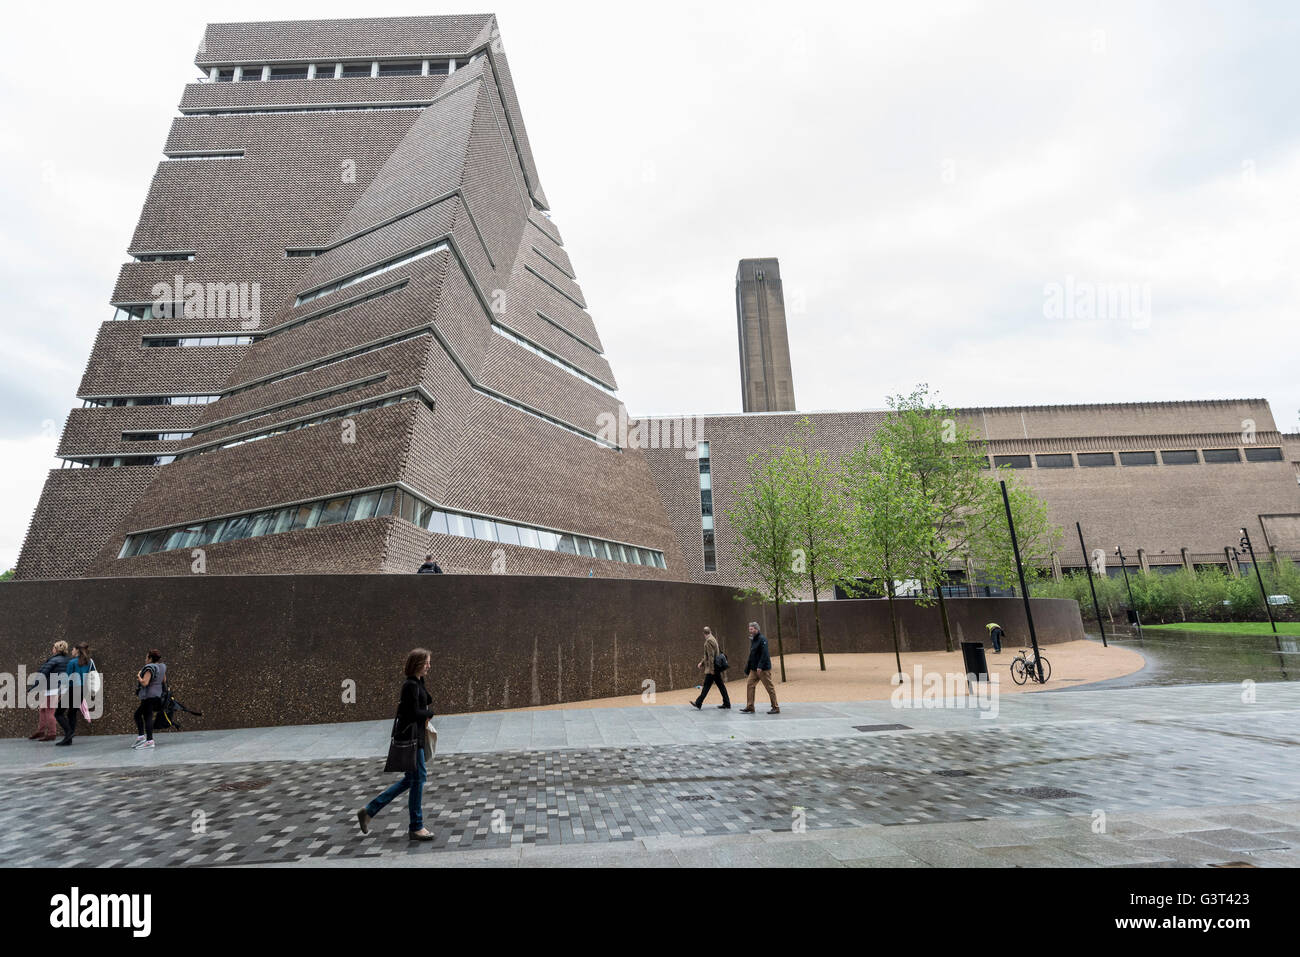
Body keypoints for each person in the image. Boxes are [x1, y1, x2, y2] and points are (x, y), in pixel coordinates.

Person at [358, 648, 436, 841]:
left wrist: (422, 685)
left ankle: (369, 811)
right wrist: (428, 714)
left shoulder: (417, 682)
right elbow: (411, 713)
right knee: (418, 778)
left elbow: (427, 699)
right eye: (426, 662)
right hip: (411, 739)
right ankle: (416, 827)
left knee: (411, 780)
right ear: (417, 663)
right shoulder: (409, 685)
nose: (429, 666)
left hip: (415, 736)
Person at [28, 641, 70, 741]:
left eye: (53, 647)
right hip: (59, 688)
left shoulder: (53, 660)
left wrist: (33, 687)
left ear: (56, 649)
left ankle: (52, 733)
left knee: (50, 711)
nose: (52, 649)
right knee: (42, 708)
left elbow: (42, 674)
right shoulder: (68, 660)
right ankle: (41, 731)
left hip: (53, 689)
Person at [56, 643, 96, 746]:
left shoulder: (72, 662)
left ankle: (69, 732)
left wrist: (60, 693)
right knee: (71, 713)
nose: (71, 652)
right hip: (83, 690)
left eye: (73, 650)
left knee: (58, 713)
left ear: (77, 650)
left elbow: (66, 679)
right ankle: (68, 739)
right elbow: (94, 675)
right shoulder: (89, 661)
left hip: (73, 689)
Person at [740, 622, 780, 714]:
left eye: (751, 629)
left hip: (763, 669)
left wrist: (760, 666)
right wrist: (748, 667)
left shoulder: (762, 639)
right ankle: (750, 706)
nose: (750, 630)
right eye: (749, 629)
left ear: (756, 629)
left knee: (769, 688)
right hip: (754, 669)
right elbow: (752, 654)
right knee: (750, 685)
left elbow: (765, 654)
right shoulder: (753, 639)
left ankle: (775, 707)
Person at [133, 650, 167, 750]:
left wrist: (139, 676)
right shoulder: (162, 667)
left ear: (150, 659)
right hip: (157, 695)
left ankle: (149, 740)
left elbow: (144, 683)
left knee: (146, 716)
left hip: (149, 696)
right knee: (139, 714)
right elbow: (164, 680)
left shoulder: (149, 668)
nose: (145, 659)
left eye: (146, 657)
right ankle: (142, 737)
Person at [690, 626, 730, 709]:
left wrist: (711, 669)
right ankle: (727, 703)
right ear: (710, 632)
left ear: (704, 634)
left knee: (707, 686)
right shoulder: (713, 638)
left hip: (713, 668)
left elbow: (710, 656)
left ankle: (698, 702)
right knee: (720, 685)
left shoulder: (708, 641)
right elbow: (710, 655)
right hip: (715, 666)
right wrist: (702, 662)